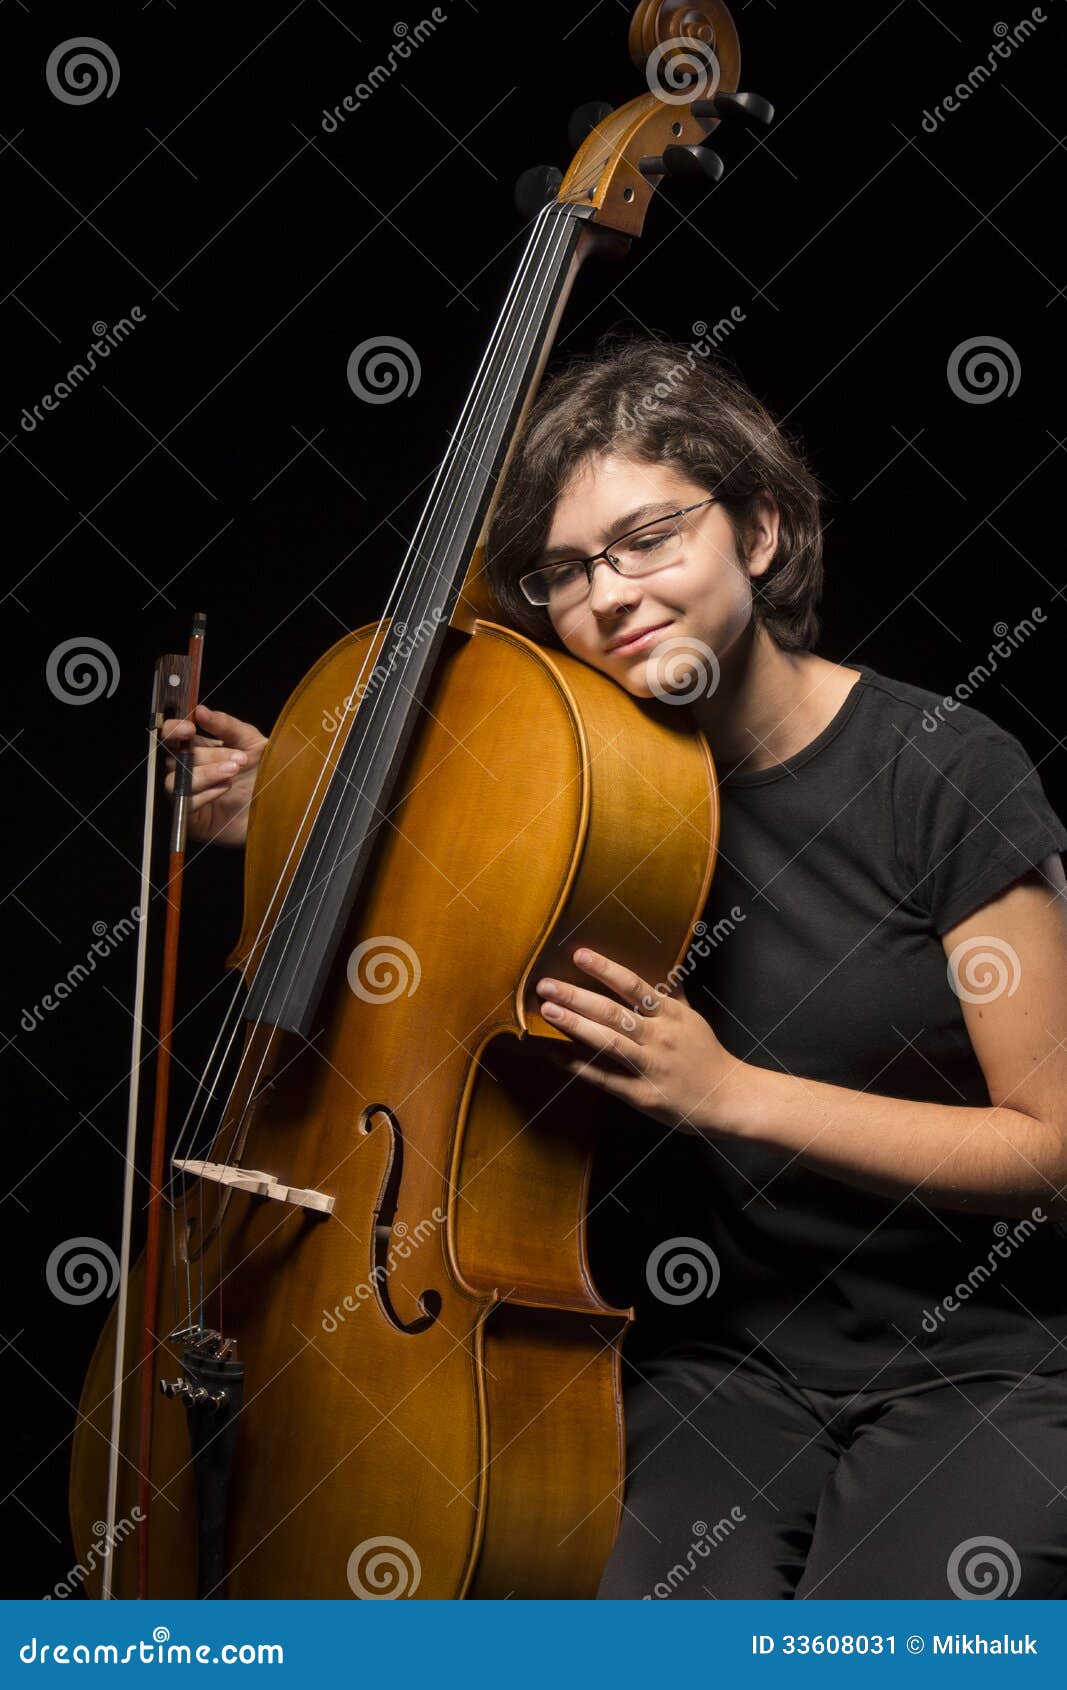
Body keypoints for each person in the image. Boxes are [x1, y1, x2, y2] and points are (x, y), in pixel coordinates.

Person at [163, 333, 1067, 1601]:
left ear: (755, 530)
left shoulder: (945, 770)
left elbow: (1051, 1144)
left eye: (648, 539)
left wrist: (728, 1092)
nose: (610, 594)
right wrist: (300, 798)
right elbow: (426, 879)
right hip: (720, 1369)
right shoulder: (566, 790)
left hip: (979, 1362)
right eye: (566, 572)